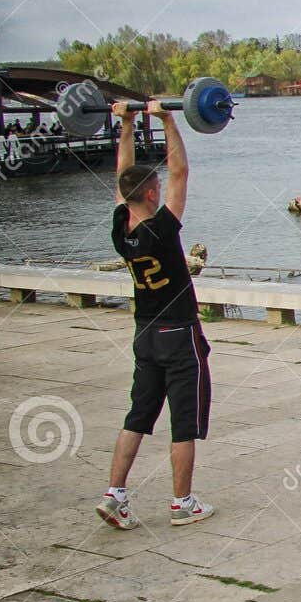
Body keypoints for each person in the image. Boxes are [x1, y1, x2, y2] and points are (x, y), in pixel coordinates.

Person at [96, 101, 214, 530]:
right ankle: (182, 502)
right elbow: (181, 174)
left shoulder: (121, 229)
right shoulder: (161, 229)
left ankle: (115, 493)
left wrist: (126, 123)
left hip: (144, 333)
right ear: (151, 193)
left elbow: (121, 179)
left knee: (137, 417)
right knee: (183, 423)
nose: (162, 189)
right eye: (156, 187)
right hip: (178, 334)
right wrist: (167, 118)